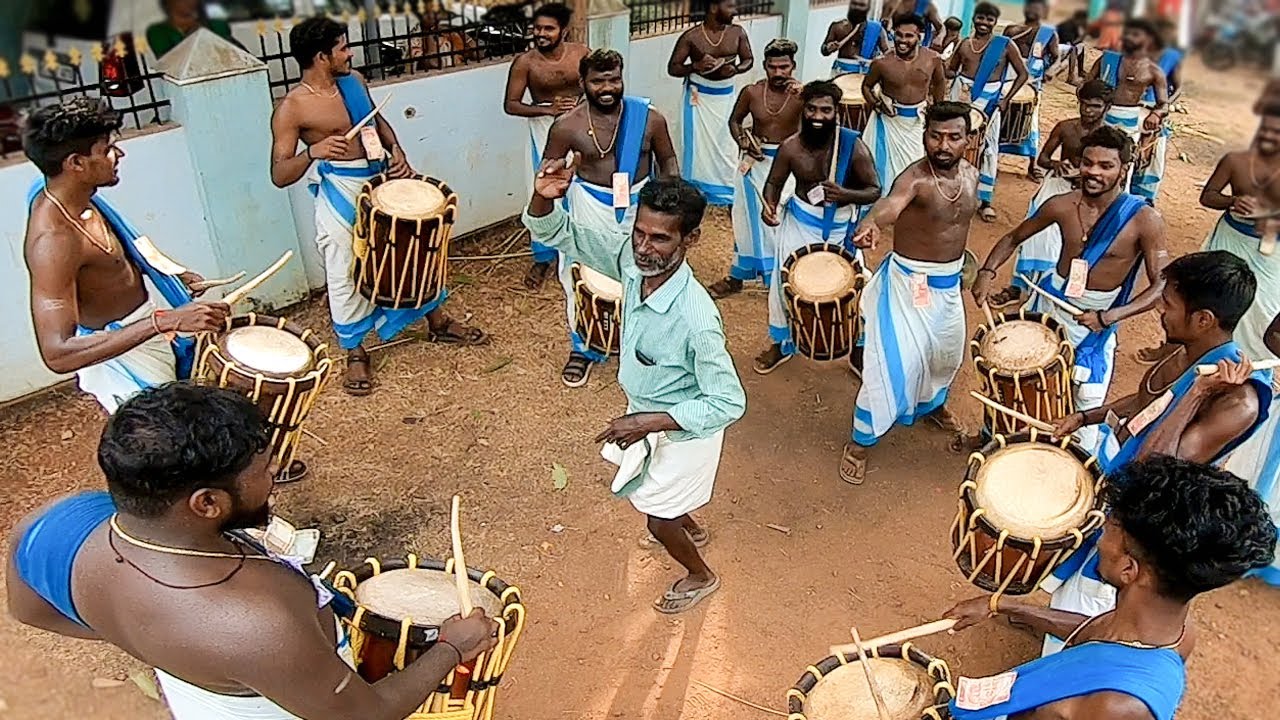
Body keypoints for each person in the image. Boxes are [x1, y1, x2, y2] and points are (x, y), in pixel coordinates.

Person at [6, 383, 500, 720]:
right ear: (207, 503)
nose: (273, 479)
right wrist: (452, 647)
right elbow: (364, 714)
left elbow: (29, 613)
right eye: (263, 470)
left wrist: (149, 642)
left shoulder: (50, 526)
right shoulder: (257, 627)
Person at [523, 173, 747, 614]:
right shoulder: (633, 261)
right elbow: (563, 233)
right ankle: (690, 524)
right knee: (664, 501)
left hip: (685, 430)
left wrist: (646, 422)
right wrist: (541, 198)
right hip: (645, 415)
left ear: (692, 239)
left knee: (658, 519)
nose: (644, 248)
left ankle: (700, 574)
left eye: (660, 239)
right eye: (639, 233)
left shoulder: (696, 319)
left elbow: (727, 401)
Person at [1038, 252, 1273, 654]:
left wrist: (1198, 392)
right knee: (1076, 594)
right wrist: (1084, 417)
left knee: (1092, 622)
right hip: (1118, 496)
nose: (1160, 312)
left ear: (1203, 319)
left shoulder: (1237, 403)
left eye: (1169, 305)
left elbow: (1153, 469)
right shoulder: (1191, 351)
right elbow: (1152, 402)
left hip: (1140, 532)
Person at [943, 456, 1275, 719]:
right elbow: (1094, 637)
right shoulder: (1170, 632)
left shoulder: (1114, 708)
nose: (1099, 541)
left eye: (1108, 533)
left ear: (1129, 569)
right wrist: (1001, 605)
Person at [269, 18, 486, 397]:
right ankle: (354, 351)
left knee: (413, 252)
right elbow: (279, 173)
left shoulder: (354, 83)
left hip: (383, 179)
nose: (349, 52)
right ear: (322, 57)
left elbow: (377, 121)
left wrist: (397, 151)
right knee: (344, 267)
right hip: (340, 190)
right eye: (341, 47)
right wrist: (312, 153)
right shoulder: (291, 107)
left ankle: (436, 320)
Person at [21, 98, 228, 413]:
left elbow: (121, 255)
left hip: (145, 328)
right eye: (106, 150)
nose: (118, 155)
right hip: (121, 354)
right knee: (167, 441)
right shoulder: (53, 241)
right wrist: (163, 322)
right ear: (75, 163)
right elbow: (57, 353)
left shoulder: (81, 200)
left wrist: (172, 275)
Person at [974, 127, 1169, 454]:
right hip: (1051, 307)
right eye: (1088, 162)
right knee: (1019, 379)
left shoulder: (1144, 219)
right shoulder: (1061, 205)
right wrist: (987, 271)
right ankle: (997, 439)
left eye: (1106, 166)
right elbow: (1013, 238)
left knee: (1086, 399)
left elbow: (1162, 283)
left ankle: (1075, 464)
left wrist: (1109, 317)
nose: (1093, 171)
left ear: (1124, 168)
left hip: (1097, 325)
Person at [839, 102, 979, 484]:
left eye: (953, 137)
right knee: (891, 368)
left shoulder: (972, 175)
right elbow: (890, 205)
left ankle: (930, 405)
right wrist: (870, 222)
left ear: (968, 139)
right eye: (935, 136)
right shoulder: (914, 179)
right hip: (909, 286)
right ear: (924, 136)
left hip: (949, 286)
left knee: (945, 355)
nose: (943, 145)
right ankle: (860, 442)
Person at [541, 49, 679, 388]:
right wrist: (554, 177)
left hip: (641, 205)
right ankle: (583, 345)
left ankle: (645, 343)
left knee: (648, 272)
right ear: (583, 83)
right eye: (598, 80)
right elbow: (549, 168)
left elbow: (669, 160)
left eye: (614, 79)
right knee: (581, 274)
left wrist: (669, 199)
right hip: (589, 204)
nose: (607, 87)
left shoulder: (649, 119)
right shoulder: (566, 126)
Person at [754, 81, 881, 374]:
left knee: (855, 289)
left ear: (836, 112)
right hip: (798, 225)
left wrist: (845, 195)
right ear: (803, 109)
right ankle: (781, 344)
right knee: (784, 286)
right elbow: (773, 183)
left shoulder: (853, 145)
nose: (817, 116)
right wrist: (769, 205)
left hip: (841, 231)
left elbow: (874, 189)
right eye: (811, 108)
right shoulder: (791, 147)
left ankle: (856, 348)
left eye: (826, 110)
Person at [988, 80, 1115, 309]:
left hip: (1089, 196)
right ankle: (1021, 287)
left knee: (1073, 244)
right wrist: (1056, 165)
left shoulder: (1111, 137)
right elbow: (1042, 159)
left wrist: (1088, 178)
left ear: (1107, 107)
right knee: (1036, 238)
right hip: (1057, 187)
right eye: (1084, 104)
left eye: (1095, 106)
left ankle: (1059, 293)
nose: (1088, 110)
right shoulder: (1066, 128)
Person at [503, 2, 591, 291]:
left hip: (580, 127)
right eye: (537, 28)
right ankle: (542, 258)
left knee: (579, 188)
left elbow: (599, 87)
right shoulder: (525, 63)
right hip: (542, 131)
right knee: (543, 188)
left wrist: (580, 106)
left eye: (548, 29)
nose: (540, 33)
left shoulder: (582, 54)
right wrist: (546, 110)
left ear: (563, 31)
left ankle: (579, 254)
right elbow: (511, 106)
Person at [707, 39, 803, 299]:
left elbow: (820, 128)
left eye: (784, 67)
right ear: (765, 66)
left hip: (787, 166)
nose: (779, 73)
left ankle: (783, 276)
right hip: (754, 164)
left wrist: (805, 98)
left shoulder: (802, 96)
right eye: (773, 67)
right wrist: (743, 142)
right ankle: (738, 276)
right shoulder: (751, 92)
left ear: (793, 66)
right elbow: (735, 121)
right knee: (745, 221)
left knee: (780, 219)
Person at [948, 2, 1029, 222]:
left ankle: (985, 200)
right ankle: (952, 191)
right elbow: (950, 71)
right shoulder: (964, 44)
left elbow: (1023, 74)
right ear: (973, 19)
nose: (984, 23)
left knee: (988, 149)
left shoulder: (1005, 45)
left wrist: (1006, 99)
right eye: (980, 18)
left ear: (995, 22)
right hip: (961, 98)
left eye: (989, 19)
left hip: (991, 101)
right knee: (956, 144)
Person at [667, 0, 754, 206]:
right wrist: (695, 66)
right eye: (730, 6)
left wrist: (737, 69)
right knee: (696, 147)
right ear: (714, 7)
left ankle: (725, 189)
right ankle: (694, 189)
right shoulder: (692, 36)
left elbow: (749, 59)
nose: (735, 12)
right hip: (698, 100)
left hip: (726, 98)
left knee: (726, 145)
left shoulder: (738, 32)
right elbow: (673, 68)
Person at [862, 13, 947, 195]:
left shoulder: (933, 59)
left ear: (920, 37)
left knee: (914, 166)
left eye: (909, 36)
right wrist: (877, 105)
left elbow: (939, 83)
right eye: (898, 35)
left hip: (917, 123)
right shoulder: (882, 63)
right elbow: (866, 87)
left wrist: (937, 112)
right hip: (887, 123)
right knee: (876, 168)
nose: (902, 40)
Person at [1086, 18, 1169, 192]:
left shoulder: (1154, 71)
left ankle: (1119, 196)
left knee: (1124, 161)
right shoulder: (1108, 58)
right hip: (1101, 115)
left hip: (1130, 120)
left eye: (1135, 34)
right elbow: (1086, 86)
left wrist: (1155, 114)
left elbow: (1164, 104)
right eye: (1128, 33)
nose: (1129, 37)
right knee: (1094, 154)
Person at [1000, 0, 1060, 180]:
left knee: (1031, 122)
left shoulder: (1049, 33)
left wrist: (1051, 70)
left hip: (1033, 84)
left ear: (1044, 11)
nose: (1034, 9)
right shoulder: (1011, 30)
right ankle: (991, 157)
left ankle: (1032, 165)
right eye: (1031, 5)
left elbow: (1057, 58)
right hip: (1009, 81)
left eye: (1038, 6)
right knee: (1000, 117)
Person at [1130, 25, 1184, 202]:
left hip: (1155, 109)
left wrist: (1163, 108)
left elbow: (1178, 87)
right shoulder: (1133, 54)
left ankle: (1144, 198)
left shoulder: (1171, 56)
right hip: (1131, 108)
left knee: (1151, 154)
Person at [145, 0, 237, 59]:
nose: (190, 2)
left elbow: (234, 53)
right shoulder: (158, 32)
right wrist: (194, 35)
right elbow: (167, 62)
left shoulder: (217, 25)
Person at [820, 0, 889, 76]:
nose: (857, 8)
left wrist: (880, 60)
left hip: (865, 77)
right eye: (854, 4)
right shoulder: (838, 27)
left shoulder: (876, 29)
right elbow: (824, 50)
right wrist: (828, 48)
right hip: (841, 75)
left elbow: (888, 54)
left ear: (868, 8)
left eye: (861, 5)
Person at [1054, 9, 1089, 84]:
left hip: (1064, 45)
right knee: (1073, 49)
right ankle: (1070, 77)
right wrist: (1083, 35)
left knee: (1081, 46)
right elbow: (1071, 43)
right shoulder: (1067, 26)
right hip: (1056, 46)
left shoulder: (1074, 26)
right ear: (1079, 19)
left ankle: (1080, 71)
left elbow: (1075, 41)